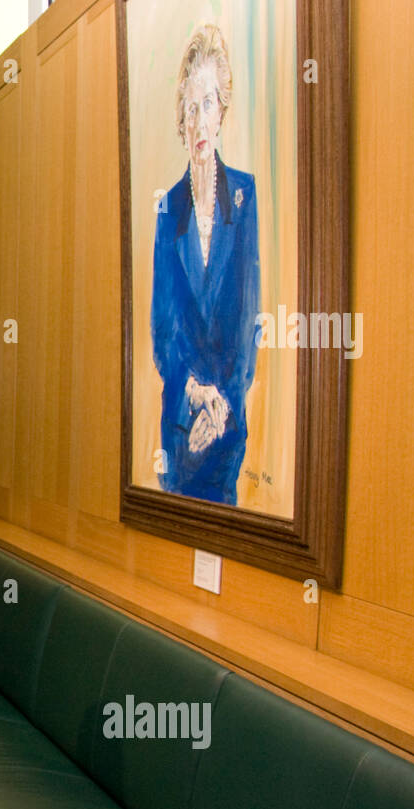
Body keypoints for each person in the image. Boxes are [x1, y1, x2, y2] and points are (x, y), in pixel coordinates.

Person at [150, 23, 260, 506]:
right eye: (190, 109)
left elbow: (248, 326)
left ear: (222, 113)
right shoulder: (167, 210)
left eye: (208, 105)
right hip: (179, 426)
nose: (198, 121)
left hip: (228, 426)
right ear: (181, 121)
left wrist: (221, 407)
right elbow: (162, 336)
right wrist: (195, 394)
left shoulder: (245, 196)